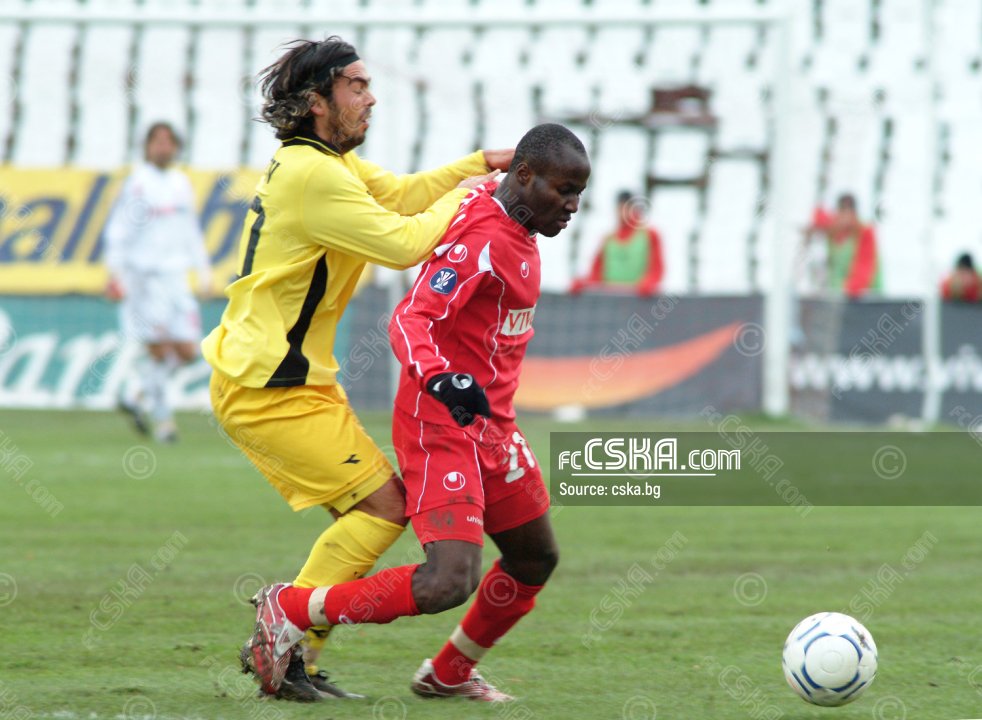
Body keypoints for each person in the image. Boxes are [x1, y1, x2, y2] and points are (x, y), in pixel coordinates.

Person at [201, 36, 508, 701]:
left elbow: (402, 195)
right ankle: (286, 645)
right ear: (318, 102)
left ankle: (288, 651)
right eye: (357, 86)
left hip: (292, 381)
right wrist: (479, 198)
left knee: (377, 508)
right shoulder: (315, 174)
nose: (371, 98)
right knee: (384, 507)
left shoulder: (322, 163)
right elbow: (403, 242)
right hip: (268, 387)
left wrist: (481, 163)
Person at [243, 123, 590, 702]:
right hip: (441, 424)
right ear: (524, 177)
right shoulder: (481, 236)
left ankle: (447, 674)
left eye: (580, 192)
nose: (573, 205)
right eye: (564, 190)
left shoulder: (513, 222)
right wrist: (442, 376)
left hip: (492, 427)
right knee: (447, 582)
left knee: (534, 558)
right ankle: (290, 607)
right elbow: (409, 318)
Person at [104, 121, 211, 443]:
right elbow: (119, 231)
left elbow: (190, 230)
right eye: (157, 141)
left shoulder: (181, 183)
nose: (164, 147)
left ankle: (134, 393)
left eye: (169, 142)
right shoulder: (137, 184)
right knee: (161, 350)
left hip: (176, 278)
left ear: (176, 147)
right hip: (145, 278)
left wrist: (203, 271)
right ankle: (165, 425)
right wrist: (115, 274)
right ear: (147, 147)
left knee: (188, 350)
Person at [570, 189, 663, 296]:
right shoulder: (608, 240)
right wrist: (582, 284)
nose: (622, 212)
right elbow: (595, 276)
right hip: (612, 304)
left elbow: (657, 270)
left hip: (639, 303)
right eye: (620, 208)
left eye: (627, 207)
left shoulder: (650, 235)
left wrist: (649, 284)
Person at [805, 193, 881, 298]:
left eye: (849, 213)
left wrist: (847, 291)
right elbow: (819, 216)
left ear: (855, 214)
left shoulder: (865, 232)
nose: (845, 218)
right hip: (838, 298)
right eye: (842, 212)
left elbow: (863, 271)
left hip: (866, 300)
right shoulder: (833, 229)